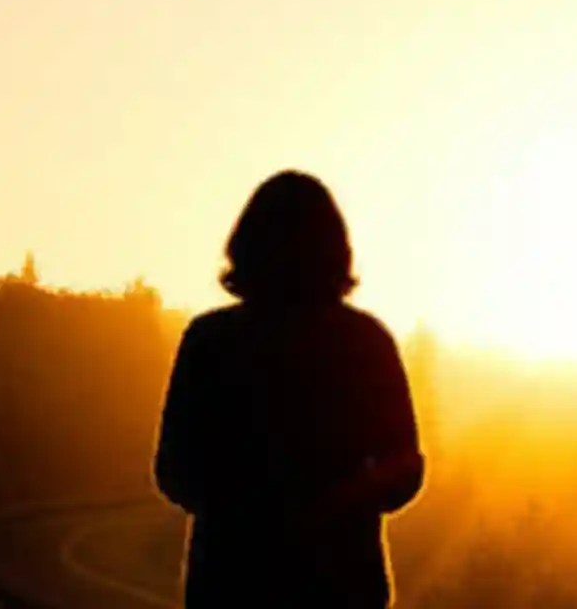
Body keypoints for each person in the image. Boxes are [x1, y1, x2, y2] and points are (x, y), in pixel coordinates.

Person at [154, 170, 425, 608]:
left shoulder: (210, 340)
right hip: (343, 585)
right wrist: (340, 504)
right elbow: (404, 473)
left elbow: (174, 470)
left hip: (231, 581)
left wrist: (241, 509)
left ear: (245, 245)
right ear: (337, 250)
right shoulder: (367, 342)